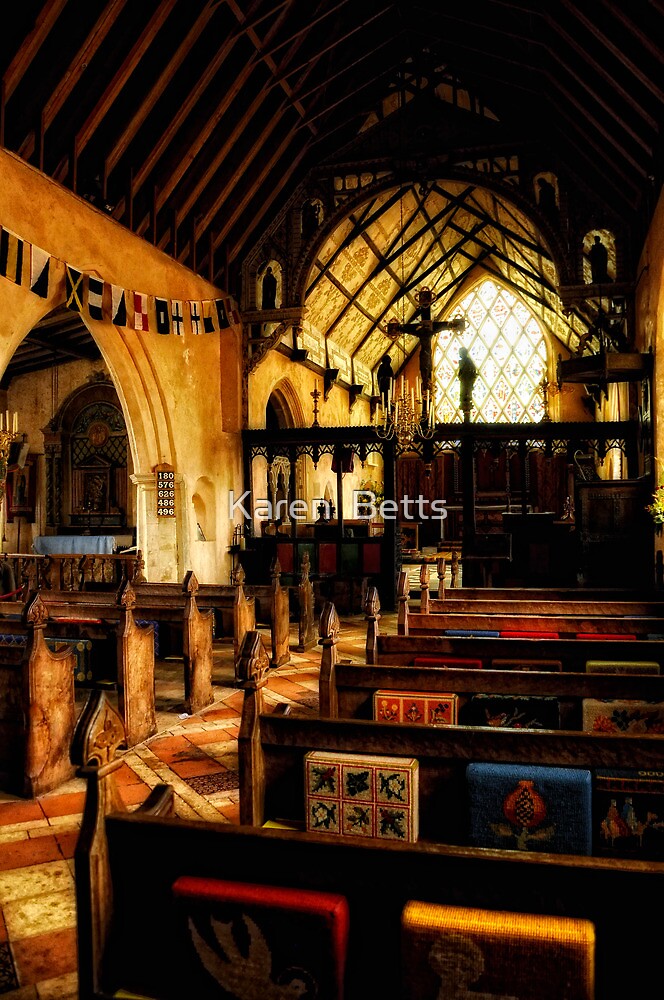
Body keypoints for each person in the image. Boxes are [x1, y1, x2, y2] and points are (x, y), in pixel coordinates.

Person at [458, 347, 478, 421]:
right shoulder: (463, 361)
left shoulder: (468, 362)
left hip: (467, 382)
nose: (460, 354)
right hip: (464, 381)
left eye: (461, 353)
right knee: (464, 395)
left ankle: (466, 405)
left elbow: (473, 372)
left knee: (466, 395)